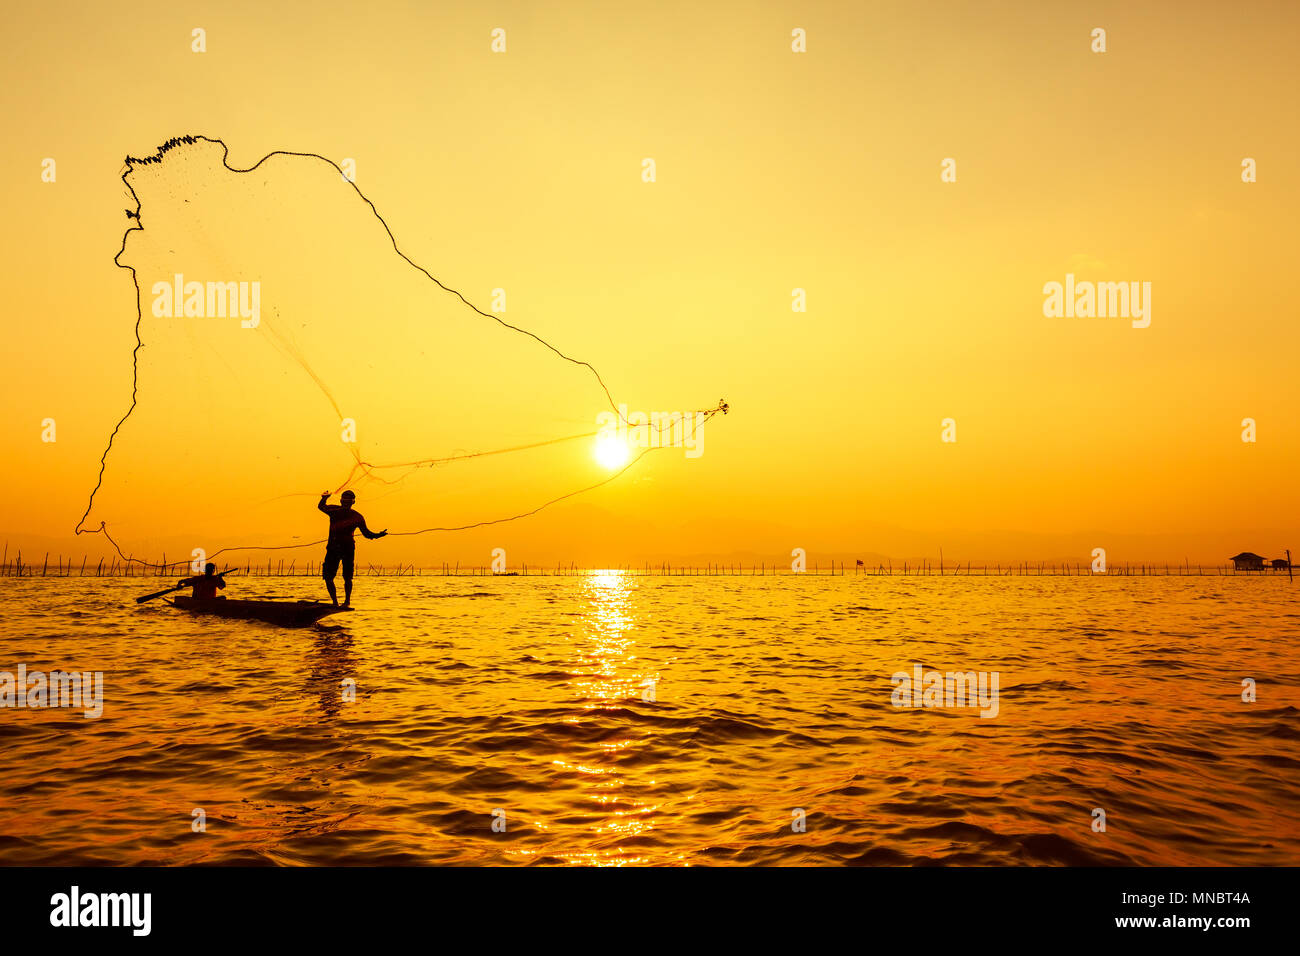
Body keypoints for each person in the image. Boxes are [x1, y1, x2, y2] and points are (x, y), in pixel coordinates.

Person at [318, 489, 387, 607]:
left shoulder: (342, 513)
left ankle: (342, 602)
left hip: (343, 549)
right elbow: (367, 534)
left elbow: (321, 506)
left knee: (340, 577)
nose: (345, 503)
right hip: (339, 549)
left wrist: (324, 498)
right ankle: (341, 602)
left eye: (347, 501)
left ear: (350, 502)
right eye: (345, 501)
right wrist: (378, 535)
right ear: (343, 501)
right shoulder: (351, 514)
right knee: (335, 577)